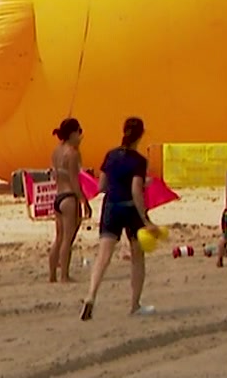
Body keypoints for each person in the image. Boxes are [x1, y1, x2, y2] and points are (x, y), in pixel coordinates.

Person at [81, 117, 156, 321]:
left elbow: (101, 186)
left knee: (103, 256)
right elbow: (136, 191)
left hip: (111, 206)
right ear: (141, 134)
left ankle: (91, 296)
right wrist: (145, 218)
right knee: (137, 257)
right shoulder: (139, 160)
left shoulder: (110, 156)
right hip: (130, 209)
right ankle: (134, 304)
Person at [48, 118, 85, 284]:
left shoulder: (56, 151)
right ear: (72, 133)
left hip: (58, 197)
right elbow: (74, 180)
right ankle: (64, 275)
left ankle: (52, 276)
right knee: (67, 239)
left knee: (59, 237)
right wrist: (84, 200)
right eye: (79, 132)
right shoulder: (72, 153)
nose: (80, 135)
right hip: (69, 197)